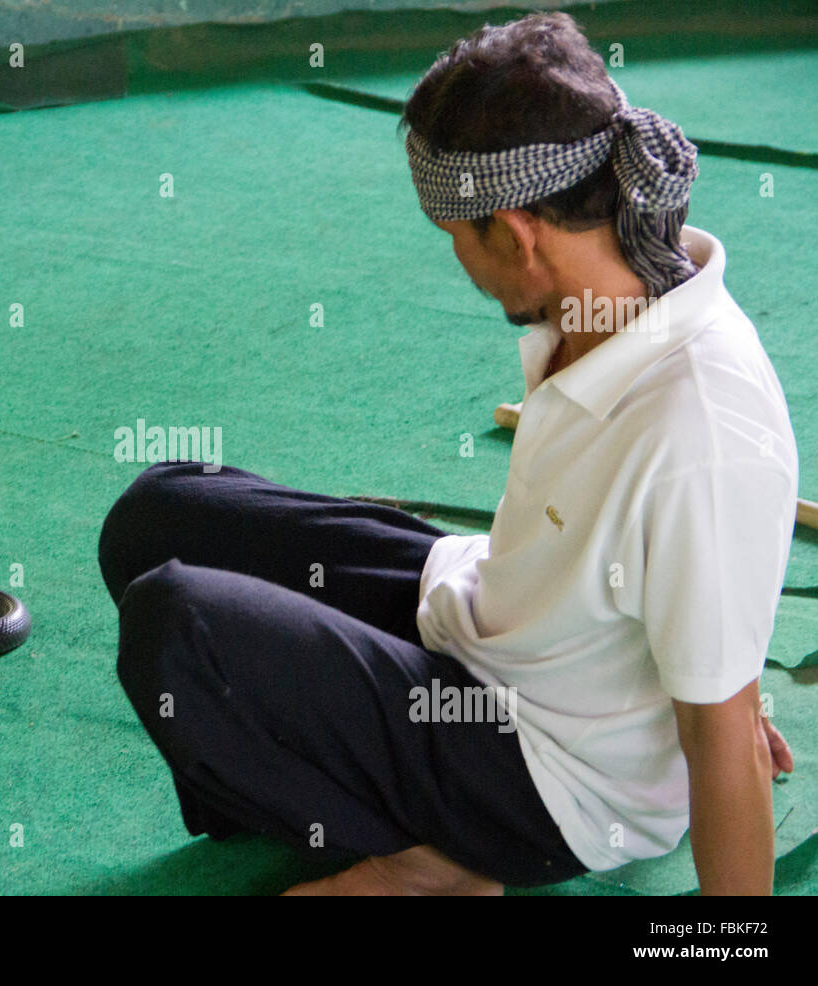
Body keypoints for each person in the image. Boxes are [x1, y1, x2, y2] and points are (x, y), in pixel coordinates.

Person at [98, 11, 798, 895]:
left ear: (515, 234)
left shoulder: (699, 433)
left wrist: (719, 714)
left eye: (456, 235)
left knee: (175, 627)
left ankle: (443, 864)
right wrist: (706, 672)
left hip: (553, 776)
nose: (456, 258)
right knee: (154, 518)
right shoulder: (622, 287)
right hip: (494, 615)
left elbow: (720, 729)